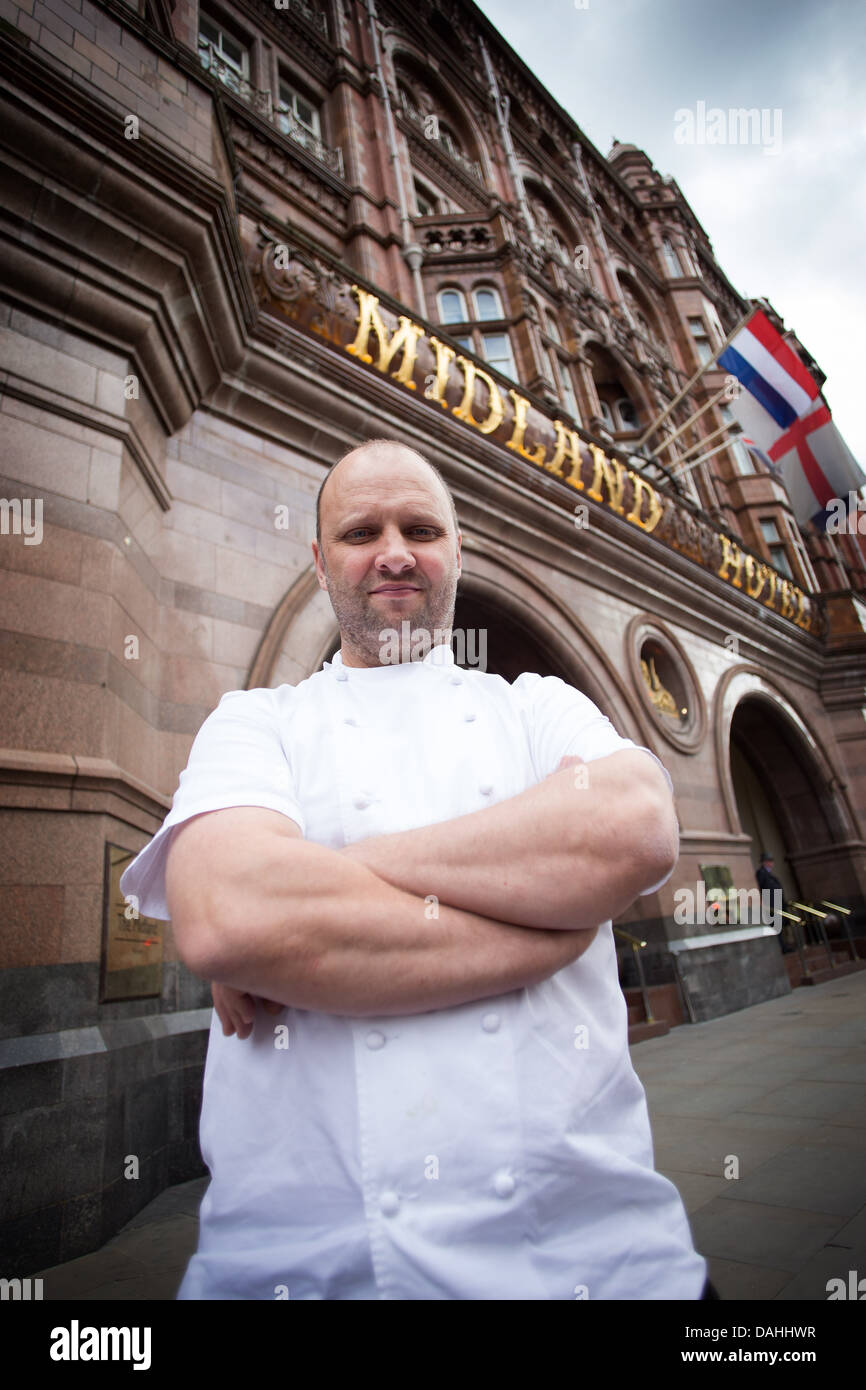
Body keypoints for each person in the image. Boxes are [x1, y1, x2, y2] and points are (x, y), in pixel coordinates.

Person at [120, 437, 712, 1301]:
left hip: (598, 1262)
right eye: (361, 532)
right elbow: (227, 914)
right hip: (312, 1272)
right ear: (321, 564)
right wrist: (550, 925)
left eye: (421, 528)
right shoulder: (254, 722)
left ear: (456, 552)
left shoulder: (536, 707)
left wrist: (323, 881)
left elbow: (634, 829)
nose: (394, 551)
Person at [755, 851, 792, 952]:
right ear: (764, 862)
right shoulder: (761, 873)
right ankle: (781, 948)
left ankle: (784, 946)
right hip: (770, 906)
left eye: (771, 861)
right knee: (775, 928)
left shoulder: (768, 874)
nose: (771, 863)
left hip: (776, 904)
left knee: (779, 927)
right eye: (769, 861)